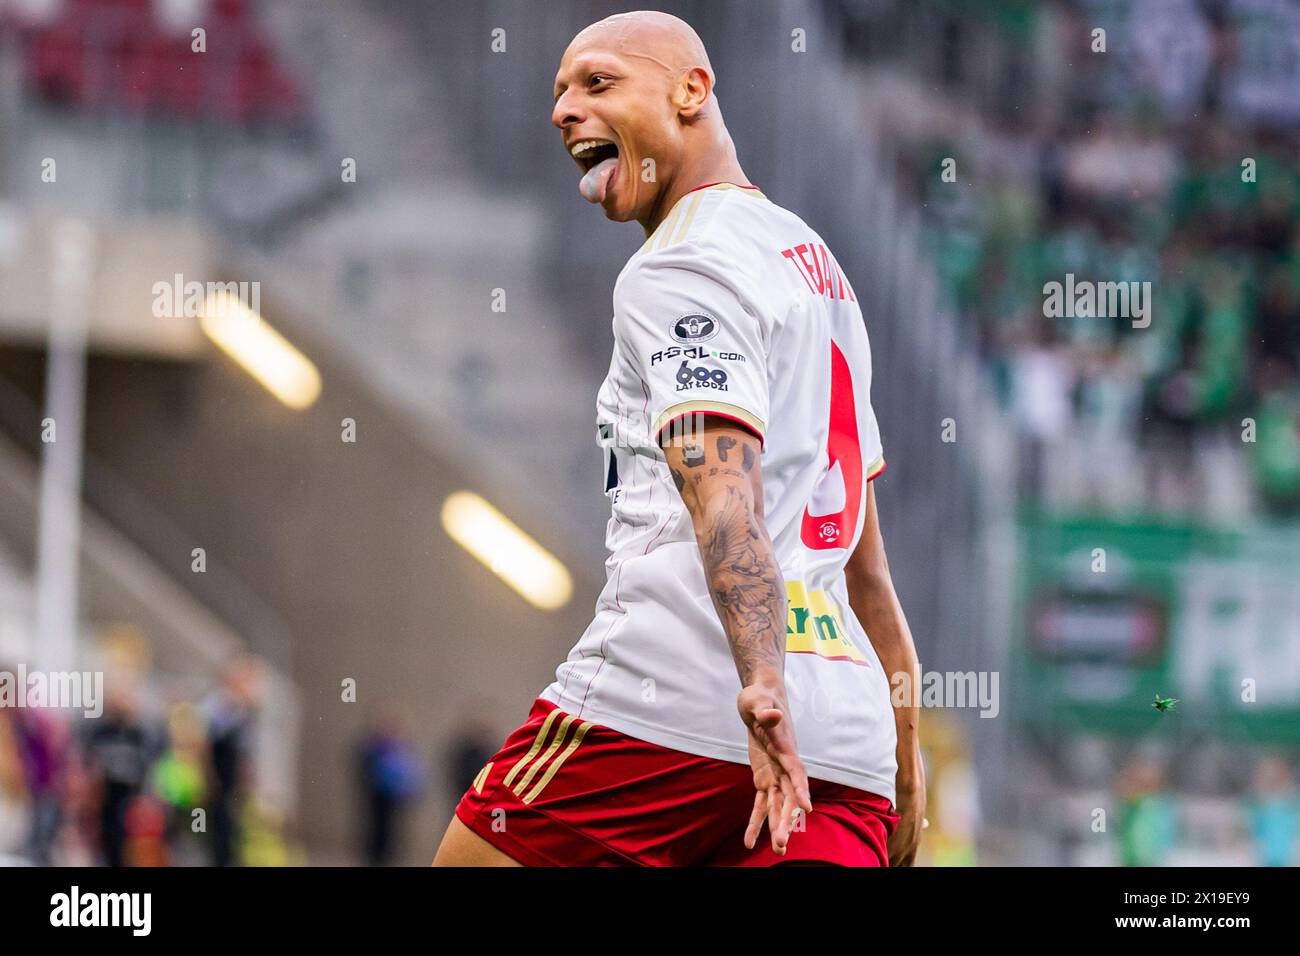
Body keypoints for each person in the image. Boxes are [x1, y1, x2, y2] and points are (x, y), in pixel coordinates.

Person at [434, 10, 924, 867]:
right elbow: (866, 568)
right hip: (847, 750)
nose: (562, 112)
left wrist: (762, 683)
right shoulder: (821, 269)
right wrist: (906, 759)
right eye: (558, 95)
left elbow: (721, 496)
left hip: (674, 709)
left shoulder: (679, 265)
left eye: (596, 82)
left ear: (692, 90)